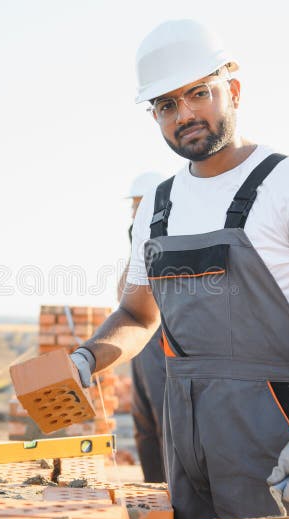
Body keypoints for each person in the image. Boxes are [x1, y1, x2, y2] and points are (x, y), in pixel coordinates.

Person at [60, 19, 289, 519]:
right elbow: (136, 314)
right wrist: (86, 356)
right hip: (188, 455)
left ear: (231, 88)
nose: (184, 114)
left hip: (282, 449)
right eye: (166, 105)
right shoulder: (157, 207)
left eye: (197, 94)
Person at [120, 172, 168, 483]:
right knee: (143, 420)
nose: (134, 211)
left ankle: (174, 494)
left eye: (139, 204)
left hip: (161, 334)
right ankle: (155, 493)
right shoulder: (138, 233)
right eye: (133, 206)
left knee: (166, 420)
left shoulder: (165, 233)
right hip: (142, 336)